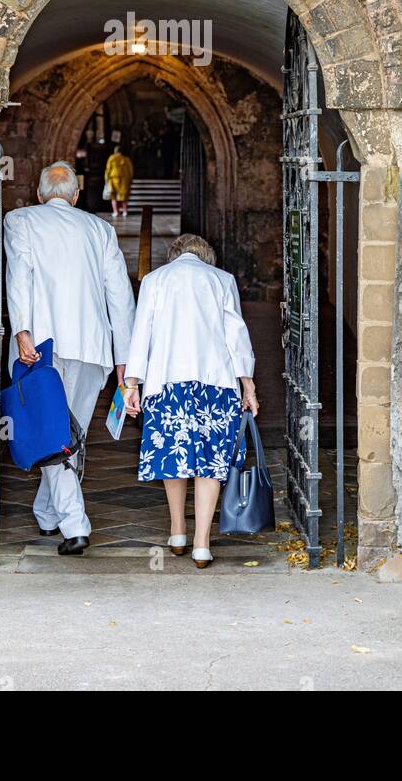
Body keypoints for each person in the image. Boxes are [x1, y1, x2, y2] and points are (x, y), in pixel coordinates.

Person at [3, 160, 135, 555]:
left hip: (40, 346)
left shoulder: (21, 219)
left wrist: (22, 328)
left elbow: (19, 274)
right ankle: (49, 514)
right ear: (76, 196)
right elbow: (120, 296)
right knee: (65, 435)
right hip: (92, 346)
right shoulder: (100, 229)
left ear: (40, 194)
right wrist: (124, 359)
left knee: (54, 435)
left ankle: (75, 525)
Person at [122, 234, 258, 568]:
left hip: (166, 382)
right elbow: (236, 335)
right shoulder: (222, 280)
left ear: (174, 255)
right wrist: (248, 383)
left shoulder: (155, 280)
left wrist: (132, 384)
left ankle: (178, 530)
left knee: (175, 456)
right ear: (206, 256)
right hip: (215, 382)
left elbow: (141, 333)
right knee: (211, 461)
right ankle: (202, 544)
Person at [104, 144, 134, 219]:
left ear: (115, 151)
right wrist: (130, 179)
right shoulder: (126, 159)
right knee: (124, 196)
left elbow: (108, 169)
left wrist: (106, 179)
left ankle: (116, 212)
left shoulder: (112, 158)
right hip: (124, 180)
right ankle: (125, 211)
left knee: (113, 196)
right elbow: (131, 170)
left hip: (113, 179)